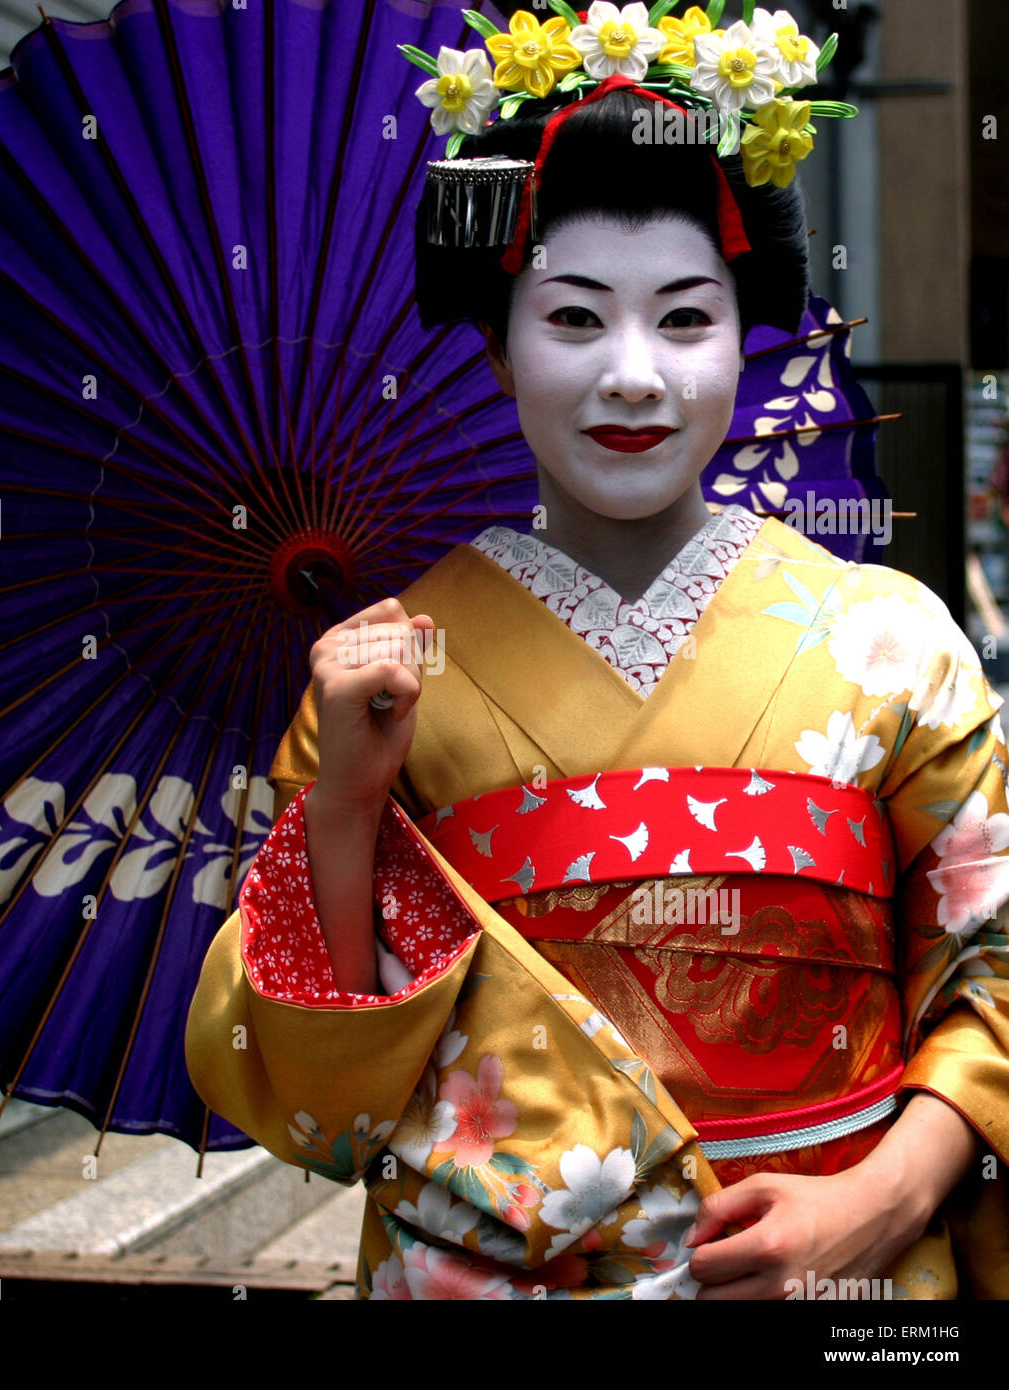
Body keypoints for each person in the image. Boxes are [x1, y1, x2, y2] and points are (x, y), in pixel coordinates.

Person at [186, 20, 1009, 1301]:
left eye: (686, 319)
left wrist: (880, 1197)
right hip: (498, 1269)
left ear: (748, 339)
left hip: (848, 1265)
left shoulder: (892, 641)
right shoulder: (388, 676)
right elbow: (324, 1098)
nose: (634, 375)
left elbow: (990, 967)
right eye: (574, 318)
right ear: (501, 342)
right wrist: (346, 802)